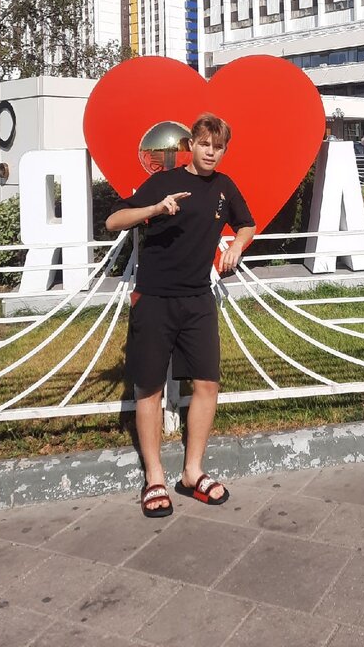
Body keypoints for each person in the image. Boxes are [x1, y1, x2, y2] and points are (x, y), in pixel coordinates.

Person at [106, 112, 256, 518]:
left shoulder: (224, 187)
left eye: (218, 147)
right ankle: (154, 477)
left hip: (198, 299)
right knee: (149, 388)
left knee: (207, 383)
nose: (211, 152)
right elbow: (114, 220)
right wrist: (155, 208)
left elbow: (247, 224)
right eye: (205, 144)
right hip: (155, 298)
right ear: (192, 144)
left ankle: (192, 472)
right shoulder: (164, 182)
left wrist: (236, 245)